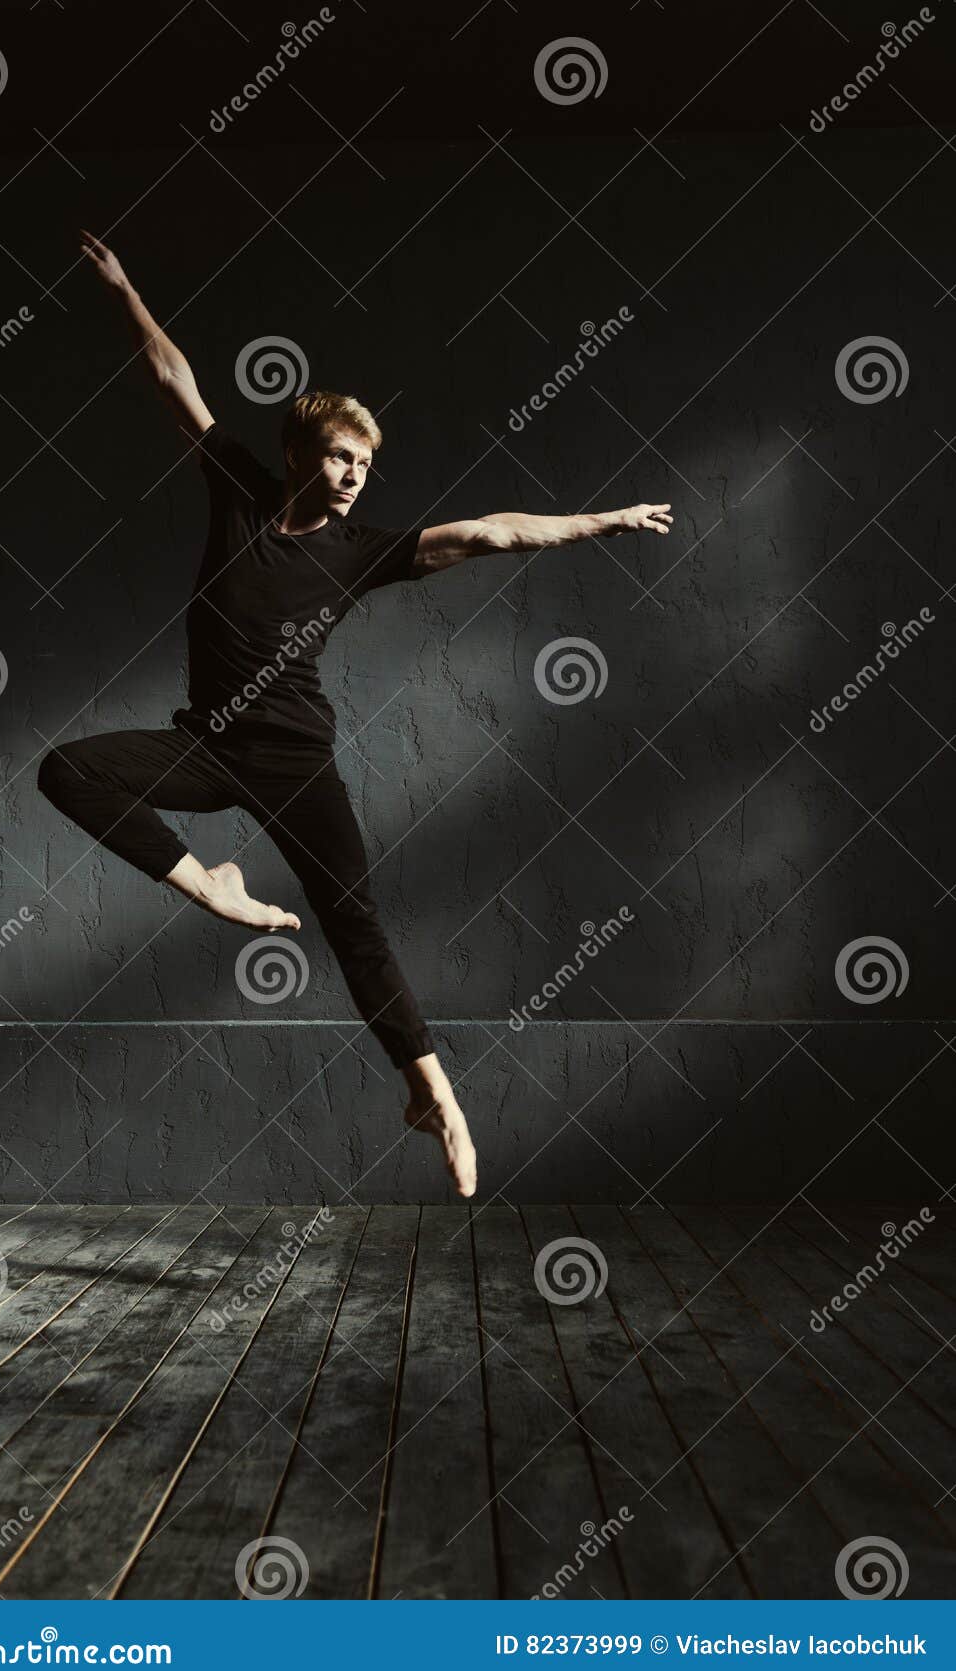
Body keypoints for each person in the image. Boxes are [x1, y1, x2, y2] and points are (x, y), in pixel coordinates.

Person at [37, 228, 674, 1201]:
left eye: (363, 465)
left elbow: (492, 530)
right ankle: (205, 881)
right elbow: (173, 382)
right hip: (207, 745)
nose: (350, 475)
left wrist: (603, 520)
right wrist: (126, 290)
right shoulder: (242, 490)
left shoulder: (364, 550)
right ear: (298, 453)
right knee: (67, 769)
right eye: (337, 456)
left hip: (293, 758)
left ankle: (436, 1098)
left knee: (354, 927)